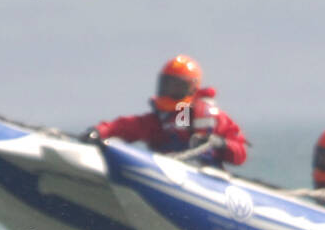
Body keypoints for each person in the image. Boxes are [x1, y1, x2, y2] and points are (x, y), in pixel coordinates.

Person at [87, 55, 248, 167]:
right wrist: (100, 131)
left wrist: (220, 143)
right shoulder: (158, 120)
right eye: (168, 84)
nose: (170, 90)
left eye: (177, 86)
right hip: (169, 171)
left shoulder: (208, 115)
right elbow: (125, 126)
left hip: (206, 177)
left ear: (191, 87)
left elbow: (240, 153)